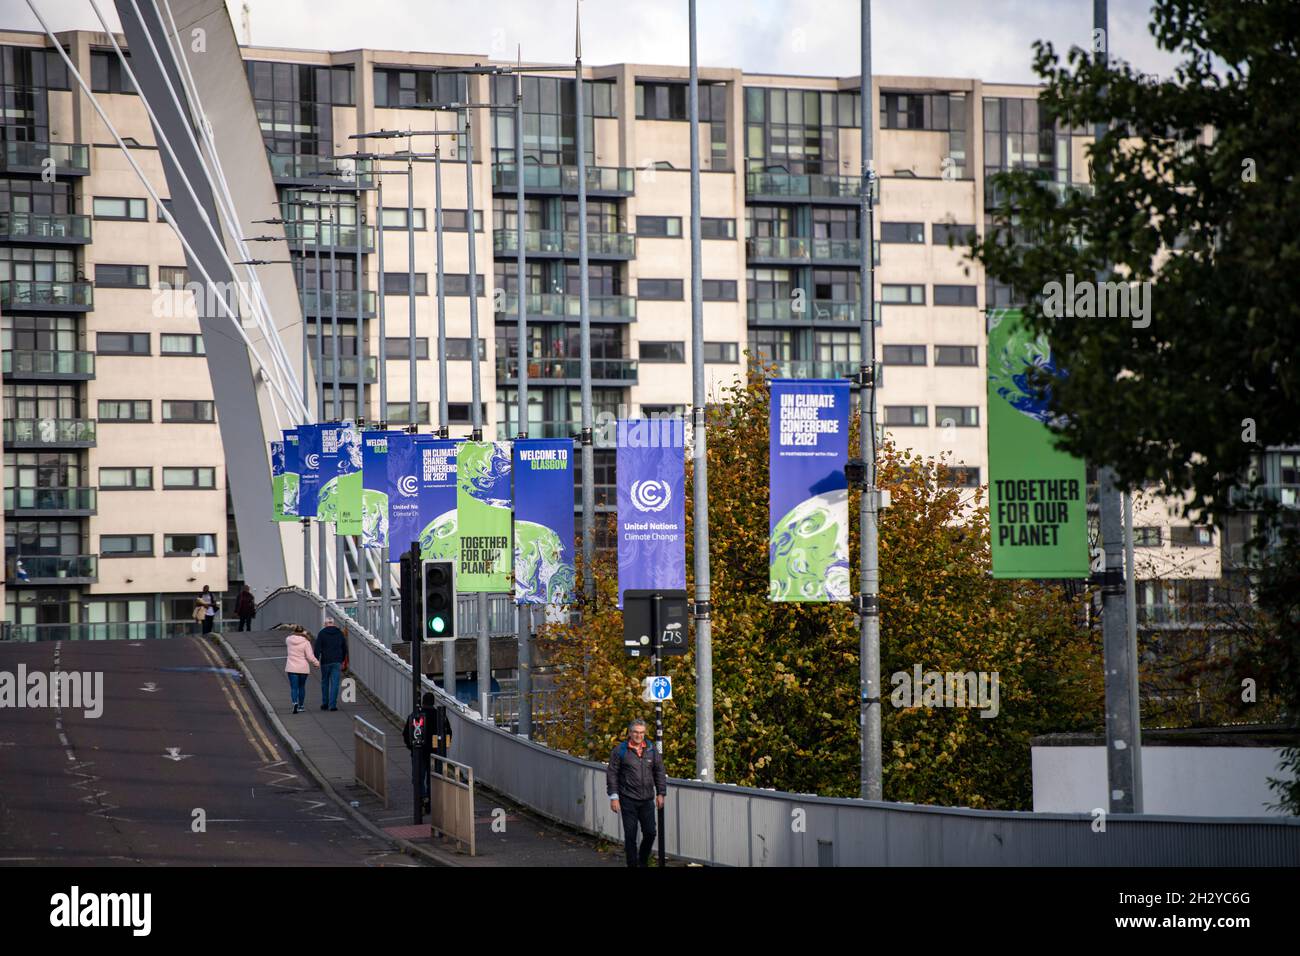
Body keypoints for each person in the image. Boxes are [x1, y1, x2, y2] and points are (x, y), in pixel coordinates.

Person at [606, 718, 667, 867]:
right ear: (630, 732)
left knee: (650, 833)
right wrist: (614, 797)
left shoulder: (652, 750)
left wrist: (661, 793)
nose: (638, 735)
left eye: (641, 733)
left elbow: (659, 771)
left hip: (647, 799)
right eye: (635, 732)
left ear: (645, 733)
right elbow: (612, 774)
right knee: (630, 835)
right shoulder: (620, 750)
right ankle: (632, 864)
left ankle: (643, 861)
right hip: (628, 799)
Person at [403, 691, 440, 813]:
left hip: (418, 753)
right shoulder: (439, 716)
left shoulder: (415, 716)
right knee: (433, 779)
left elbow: (406, 734)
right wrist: (441, 748)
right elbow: (448, 733)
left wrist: (411, 747)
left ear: (423, 702)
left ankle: (423, 798)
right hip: (435, 753)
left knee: (418, 778)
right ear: (433, 702)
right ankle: (430, 800)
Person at [313, 617, 349, 711]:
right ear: (333, 623)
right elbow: (344, 647)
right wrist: (342, 659)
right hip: (337, 660)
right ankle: (332, 705)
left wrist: (316, 660)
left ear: (325, 624)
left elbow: (317, 648)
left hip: (325, 661)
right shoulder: (339, 633)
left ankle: (325, 703)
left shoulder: (322, 633)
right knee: (335, 683)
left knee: (325, 682)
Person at [284, 626, 319, 714]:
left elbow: (291, 636)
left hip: (291, 667)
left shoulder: (288, 640)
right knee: (301, 687)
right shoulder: (306, 642)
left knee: (294, 687)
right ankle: (301, 706)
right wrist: (316, 663)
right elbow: (310, 656)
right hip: (303, 668)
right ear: (303, 632)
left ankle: (294, 702)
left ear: (294, 631)